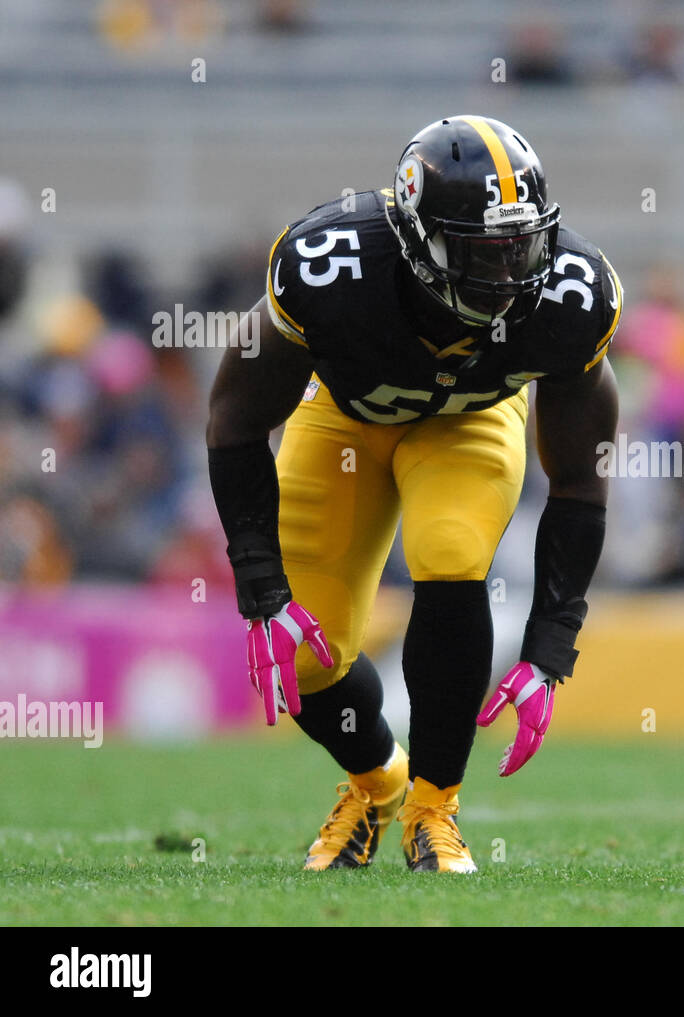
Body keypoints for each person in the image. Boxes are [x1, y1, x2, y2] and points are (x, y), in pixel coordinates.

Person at [206, 116, 621, 873]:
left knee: (452, 551)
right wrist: (260, 582)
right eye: (479, 252)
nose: (506, 277)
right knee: (306, 656)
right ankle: (377, 781)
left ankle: (435, 808)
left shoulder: (570, 293)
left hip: (471, 419)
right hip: (344, 419)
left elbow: (581, 473)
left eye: (519, 248)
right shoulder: (329, 266)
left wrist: (553, 640)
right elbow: (234, 419)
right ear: (416, 237)